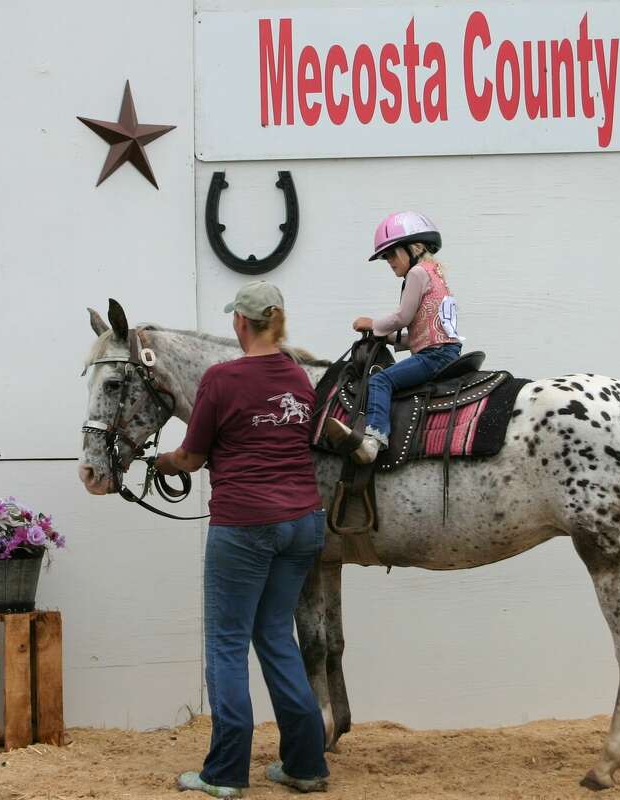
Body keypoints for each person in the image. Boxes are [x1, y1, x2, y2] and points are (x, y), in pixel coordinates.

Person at [155, 281, 330, 797]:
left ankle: (225, 772)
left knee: (228, 643)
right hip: (303, 522)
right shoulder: (300, 376)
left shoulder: (222, 378)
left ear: (241, 323)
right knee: (276, 635)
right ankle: (305, 763)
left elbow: (190, 457)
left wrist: (159, 461)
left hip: (245, 524)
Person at [325, 211, 464, 463]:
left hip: (434, 355)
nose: (388, 260)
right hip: (444, 351)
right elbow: (420, 334)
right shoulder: (434, 272)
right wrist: (385, 338)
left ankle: (372, 441)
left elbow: (402, 317)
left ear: (414, 247)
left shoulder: (417, 273)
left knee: (380, 381)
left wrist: (372, 324)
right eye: (385, 256)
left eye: (391, 253)